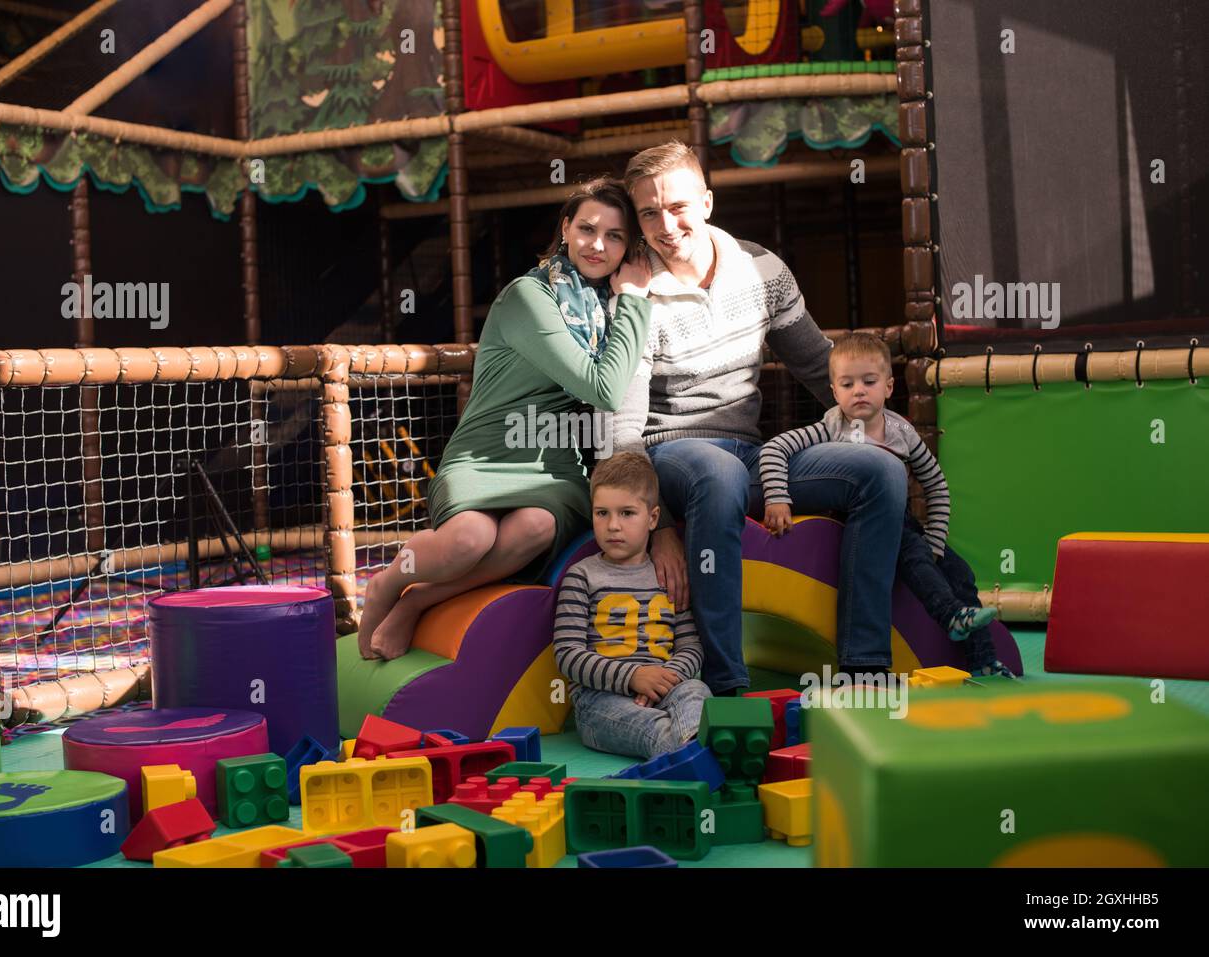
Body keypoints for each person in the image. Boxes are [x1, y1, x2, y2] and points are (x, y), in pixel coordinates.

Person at [609, 140, 909, 693]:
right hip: (671, 458)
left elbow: (822, 370)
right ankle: (727, 686)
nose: (664, 225)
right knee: (714, 471)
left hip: (750, 457)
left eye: (676, 206)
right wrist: (660, 528)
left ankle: (864, 669)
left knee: (882, 472)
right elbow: (623, 429)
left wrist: (879, 435)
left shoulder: (761, 268)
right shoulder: (633, 292)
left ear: (706, 203)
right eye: (648, 212)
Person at [359, 177, 653, 660]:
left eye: (615, 236)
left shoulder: (612, 308)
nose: (598, 245)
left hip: (552, 466)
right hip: (485, 454)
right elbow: (603, 386)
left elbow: (611, 386)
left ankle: (418, 601)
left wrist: (631, 302)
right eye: (587, 228)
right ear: (565, 228)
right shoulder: (529, 296)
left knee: (535, 528)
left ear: (628, 248)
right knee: (468, 539)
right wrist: (636, 304)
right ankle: (388, 583)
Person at [759, 333, 1013, 677]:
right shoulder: (832, 426)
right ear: (834, 392)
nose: (858, 391)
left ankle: (983, 660)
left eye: (869, 381)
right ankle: (951, 615)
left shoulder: (901, 431)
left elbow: (936, 484)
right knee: (913, 553)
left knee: (960, 572)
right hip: (858, 526)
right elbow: (775, 448)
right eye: (847, 384)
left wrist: (935, 544)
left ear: (889, 387)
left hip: (905, 524)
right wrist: (777, 496)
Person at [553, 452, 710, 759]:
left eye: (626, 513)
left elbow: (691, 647)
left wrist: (663, 681)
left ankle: (693, 752)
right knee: (655, 728)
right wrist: (633, 677)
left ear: (652, 518)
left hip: (667, 686)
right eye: (602, 513)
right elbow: (568, 655)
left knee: (698, 693)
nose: (613, 526)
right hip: (599, 701)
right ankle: (697, 758)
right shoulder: (582, 576)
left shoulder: (667, 575)